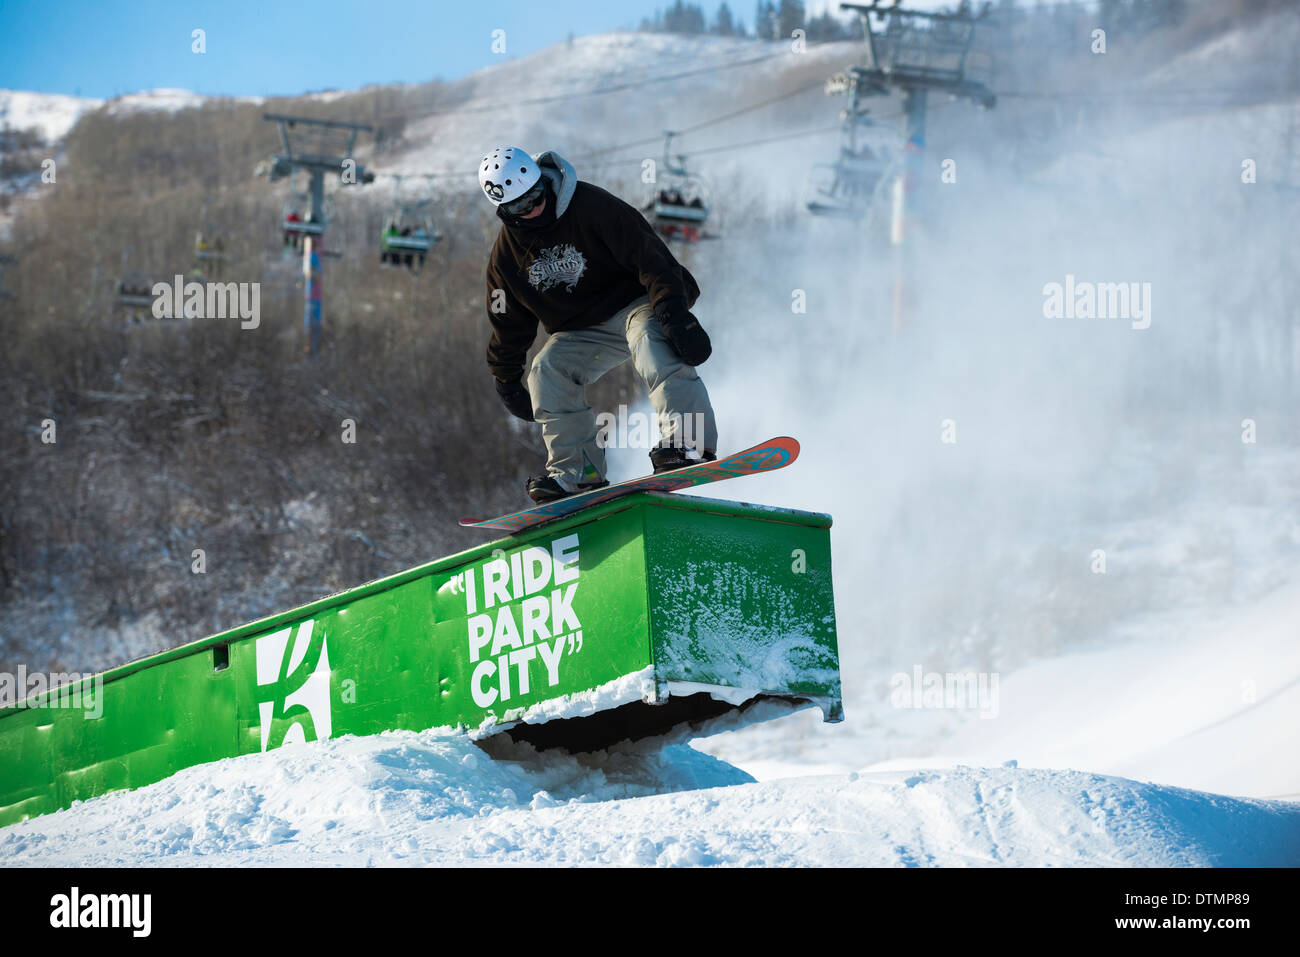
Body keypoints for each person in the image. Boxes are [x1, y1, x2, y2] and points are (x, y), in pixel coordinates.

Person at [479, 145, 717, 505]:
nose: (532, 210)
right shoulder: (506, 256)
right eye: (519, 208)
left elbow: (650, 256)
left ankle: (688, 442)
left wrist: (674, 311)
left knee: (650, 340)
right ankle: (579, 474)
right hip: (582, 332)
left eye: (535, 197)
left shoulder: (591, 206)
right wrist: (506, 377)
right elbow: (508, 321)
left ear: (542, 183)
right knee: (546, 371)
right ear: (504, 210)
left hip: (637, 303)